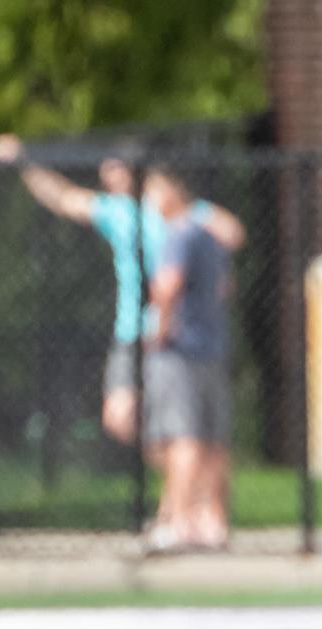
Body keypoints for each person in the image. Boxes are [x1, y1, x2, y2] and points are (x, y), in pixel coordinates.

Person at [0, 134, 243, 447]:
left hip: (173, 337)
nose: (106, 175)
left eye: (114, 167)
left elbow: (231, 232)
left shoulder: (181, 213)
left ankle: (185, 475)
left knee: (183, 428)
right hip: (132, 332)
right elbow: (64, 198)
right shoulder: (116, 211)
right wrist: (23, 162)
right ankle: (179, 470)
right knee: (120, 418)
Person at [144, 165, 234, 551]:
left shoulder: (179, 234)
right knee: (213, 439)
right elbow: (224, 286)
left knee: (182, 437)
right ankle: (214, 521)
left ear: (168, 195)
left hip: (180, 350)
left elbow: (167, 286)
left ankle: (180, 523)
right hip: (211, 346)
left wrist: (160, 330)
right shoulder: (209, 237)